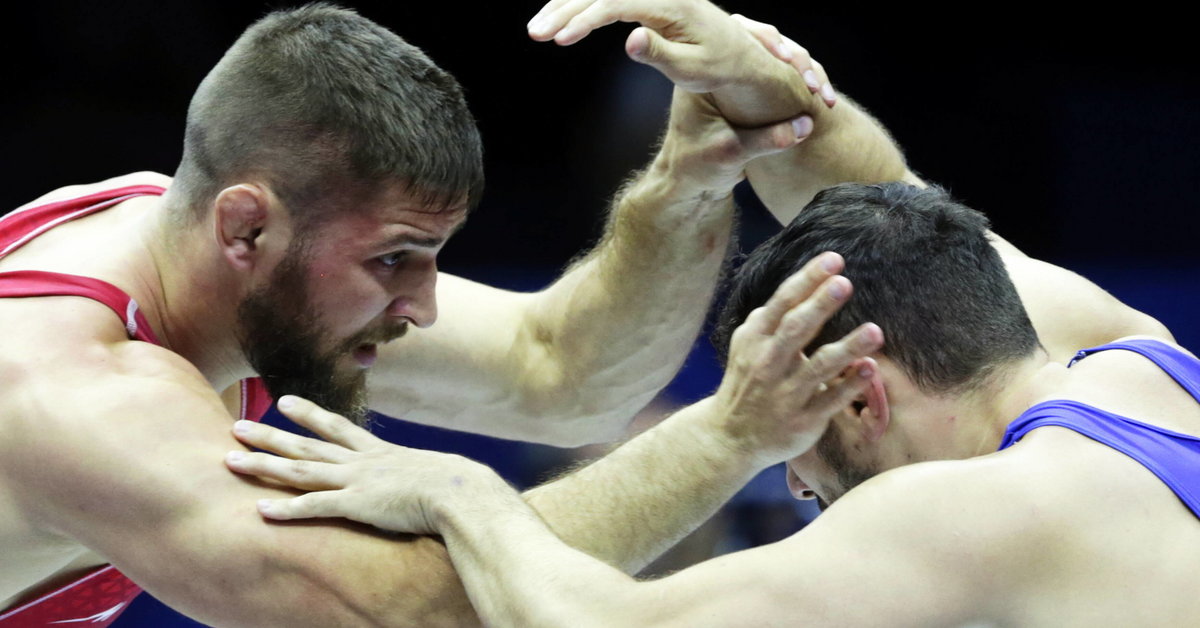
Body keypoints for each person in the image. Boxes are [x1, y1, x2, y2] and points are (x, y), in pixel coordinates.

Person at [223, 1, 1199, 626]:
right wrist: (755, 83)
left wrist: (459, 492)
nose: (803, 489)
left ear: (856, 394)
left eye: (796, 454)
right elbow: (907, 212)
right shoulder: (1140, 366)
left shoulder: (959, 515)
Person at [0, 3, 853, 626]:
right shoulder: (73, 390)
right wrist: (725, 438)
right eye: (392, 259)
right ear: (244, 226)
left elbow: (558, 373)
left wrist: (691, 180)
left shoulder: (196, 242)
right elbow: (407, 614)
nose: (424, 304)